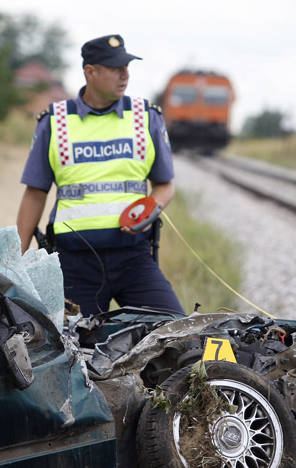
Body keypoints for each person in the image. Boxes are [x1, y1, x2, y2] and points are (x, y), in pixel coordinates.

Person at [16, 34, 184, 317]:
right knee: (73, 353)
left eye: (127, 67)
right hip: (74, 265)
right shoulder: (55, 121)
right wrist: (14, 265)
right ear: (90, 72)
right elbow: (34, 194)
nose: (125, 74)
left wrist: (149, 210)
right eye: (115, 68)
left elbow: (165, 186)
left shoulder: (146, 117)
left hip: (134, 260)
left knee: (177, 334)